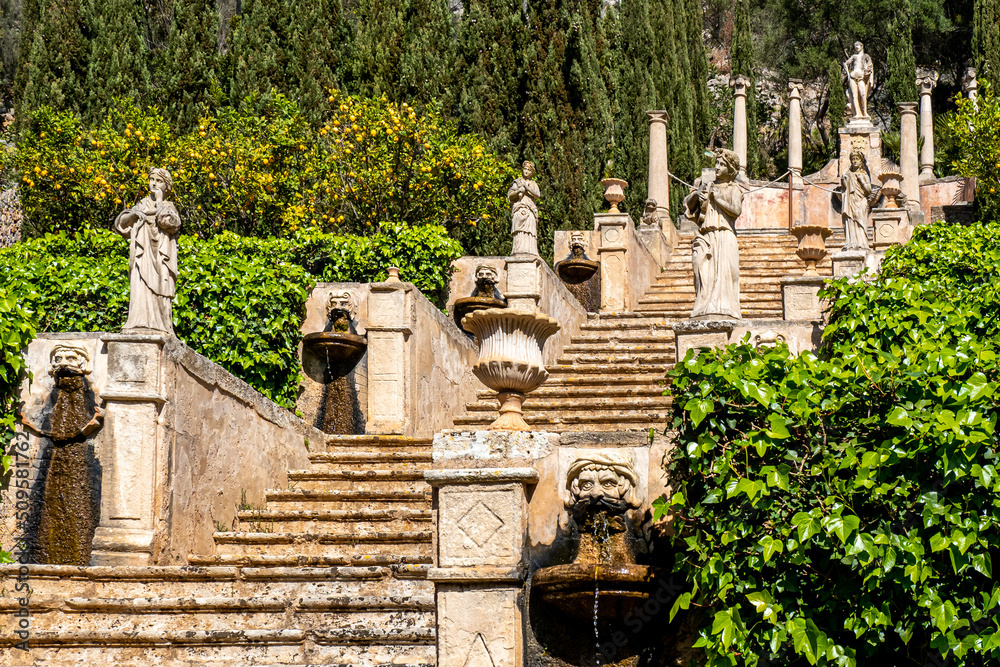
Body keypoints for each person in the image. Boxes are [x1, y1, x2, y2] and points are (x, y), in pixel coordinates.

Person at [114, 168, 181, 333]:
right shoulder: (142, 204)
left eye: (159, 181)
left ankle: (163, 326)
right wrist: (134, 215)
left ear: (166, 186)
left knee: (161, 288)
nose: (154, 184)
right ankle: (138, 322)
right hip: (142, 255)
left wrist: (159, 202)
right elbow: (122, 224)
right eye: (152, 179)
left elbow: (171, 224)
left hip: (160, 255)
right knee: (141, 285)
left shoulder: (169, 206)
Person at [691, 149, 743, 320]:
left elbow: (736, 210)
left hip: (725, 235)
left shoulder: (734, 188)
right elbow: (690, 210)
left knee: (726, 275)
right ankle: (702, 307)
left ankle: (726, 309)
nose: (717, 167)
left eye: (722, 164)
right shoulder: (706, 185)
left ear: (731, 170)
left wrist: (717, 198)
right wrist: (696, 195)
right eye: (717, 163)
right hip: (706, 235)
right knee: (701, 269)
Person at [841, 149, 872, 250]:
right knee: (850, 219)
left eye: (857, 159)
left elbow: (868, 190)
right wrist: (844, 180)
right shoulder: (848, 174)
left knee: (860, 220)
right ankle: (851, 242)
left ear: (861, 161)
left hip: (860, 200)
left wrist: (861, 180)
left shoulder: (864, 175)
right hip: (850, 200)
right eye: (853, 159)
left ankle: (862, 243)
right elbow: (845, 188)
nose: (854, 161)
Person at [507, 161, 540, 256]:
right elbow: (510, 196)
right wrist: (518, 191)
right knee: (519, 230)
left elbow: (537, 195)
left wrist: (527, 188)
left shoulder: (533, 183)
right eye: (525, 169)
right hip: (519, 209)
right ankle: (517, 251)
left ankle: (530, 251)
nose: (526, 171)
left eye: (529, 170)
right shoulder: (517, 182)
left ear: (532, 172)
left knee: (530, 232)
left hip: (530, 210)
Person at [843, 41, 874, 121]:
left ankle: (865, 112)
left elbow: (871, 67)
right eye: (855, 46)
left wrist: (870, 77)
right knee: (854, 96)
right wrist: (848, 75)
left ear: (861, 46)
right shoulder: (854, 56)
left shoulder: (866, 56)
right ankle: (857, 113)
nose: (856, 47)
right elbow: (845, 64)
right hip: (853, 77)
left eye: (857, 45)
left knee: (863, 94)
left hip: (861, 78)